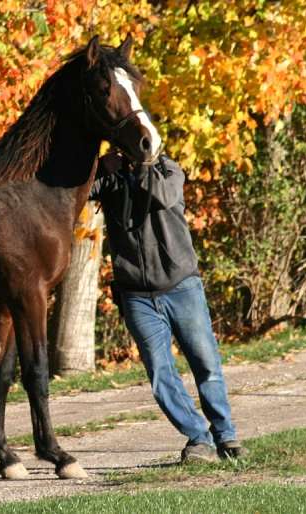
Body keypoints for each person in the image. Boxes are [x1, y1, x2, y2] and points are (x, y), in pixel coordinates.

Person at [89, 150, 247, 463]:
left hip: (182, 286)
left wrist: (143, 165)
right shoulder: (109, 177)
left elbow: (161, 196)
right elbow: (74, 190)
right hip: (136, 295)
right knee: (161, 375)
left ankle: (225, 435)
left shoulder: (169, 170)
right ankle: (199, 439)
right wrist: (95, 165)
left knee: (206, 364)